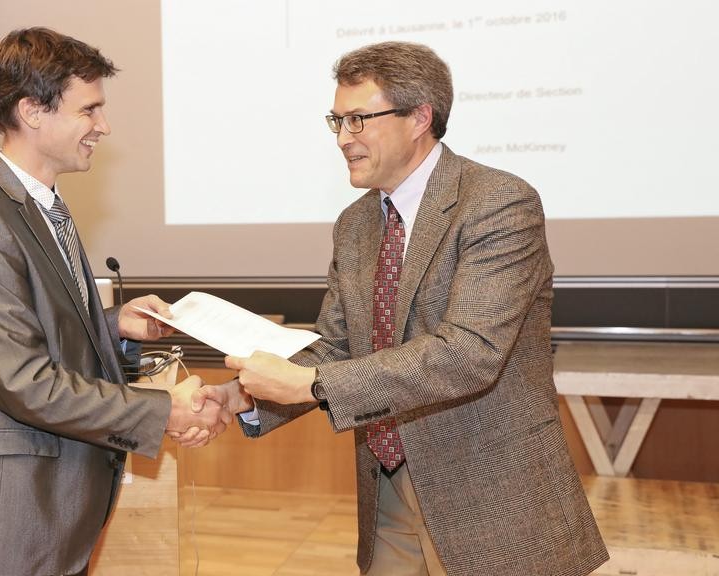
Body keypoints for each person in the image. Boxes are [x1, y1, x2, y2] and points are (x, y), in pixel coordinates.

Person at [197, 42, 609, 576]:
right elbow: (335, 345)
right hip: (385, 487)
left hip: (489, 492)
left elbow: (469, 352)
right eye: (337, 121)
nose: (344, 139)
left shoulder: (498, 202)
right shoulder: (356, 223)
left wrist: (312, 384)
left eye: (359, 120)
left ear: (419, 117)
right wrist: (241, 395)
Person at [0, 27, 224, 576]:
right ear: (33, 111)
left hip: (52, 510)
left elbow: (38, 331)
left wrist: (113, 327)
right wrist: (164, 412)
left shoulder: (38, 206)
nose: (103, 127)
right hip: (13, 520)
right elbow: (24, 383)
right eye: (90, 110)